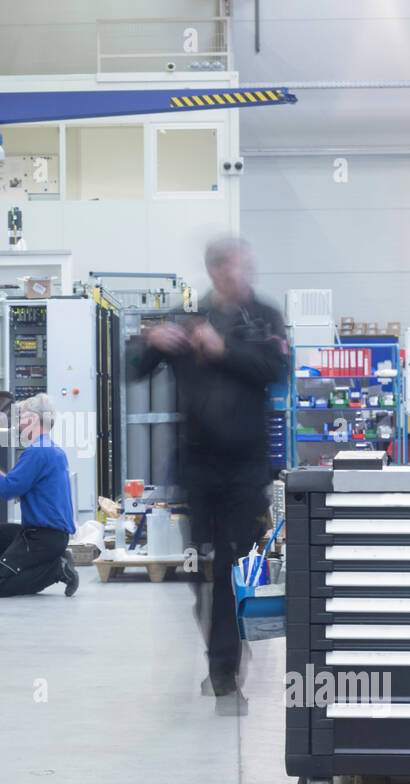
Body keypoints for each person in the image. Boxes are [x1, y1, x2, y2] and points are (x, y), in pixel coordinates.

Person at [128, 236, 290, 715]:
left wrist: (222, 351)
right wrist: (149, 342)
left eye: (238, 267)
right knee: (200, 570)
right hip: (197, 468)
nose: (232, 276)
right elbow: (134, 370)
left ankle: (223, 672)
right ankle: (224, 652)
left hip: (244, 468)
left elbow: (276, 368)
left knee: (231, 567)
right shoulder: (188, 318)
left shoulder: (265, 319)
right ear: (213, 271)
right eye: (222, 268)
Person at [0, 393, 80, 598]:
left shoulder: (37, 452)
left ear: (33, 419)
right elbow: (18, 487)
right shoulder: (49, 449)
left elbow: (7, 490)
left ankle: (57, 569)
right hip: (45, 534)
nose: (19, 424)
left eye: (21, 418)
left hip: (43, 537)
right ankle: (24, 567)